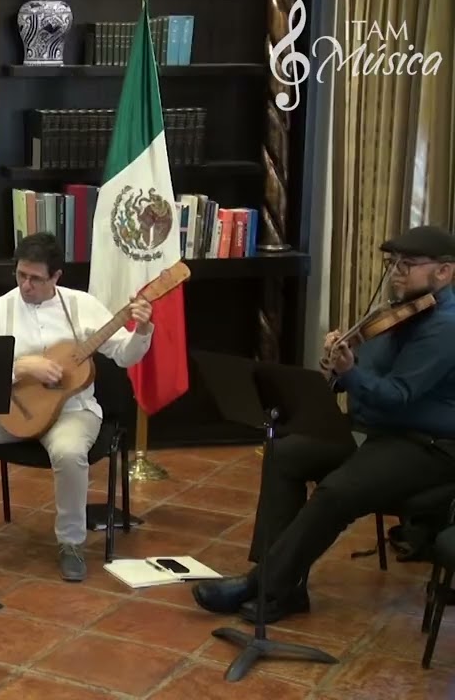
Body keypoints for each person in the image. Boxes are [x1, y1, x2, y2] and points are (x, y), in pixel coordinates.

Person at [194, 224, 455, 623]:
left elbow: (397, 395)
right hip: (379, 431)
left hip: (426, 445)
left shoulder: (445, 328)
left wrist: (351, 375)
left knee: (337, 492)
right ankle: (285, 588)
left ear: (444, 272)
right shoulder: (404, 312)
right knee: (286, 454)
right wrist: (339, 367)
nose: (397, 272)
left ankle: (262, 584)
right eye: (393, 263)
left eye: (409, 264)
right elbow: (371, 375)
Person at [0, 233, 153, 582]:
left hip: (72, 411)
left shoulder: (82, 306)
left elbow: (125, 355)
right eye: (20, 276)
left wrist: (143, 329)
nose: (26, 285)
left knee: (69, 451)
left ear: (57, 277)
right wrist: (22, 368)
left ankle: (71, 543)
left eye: (36, 278)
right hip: (12, 407)